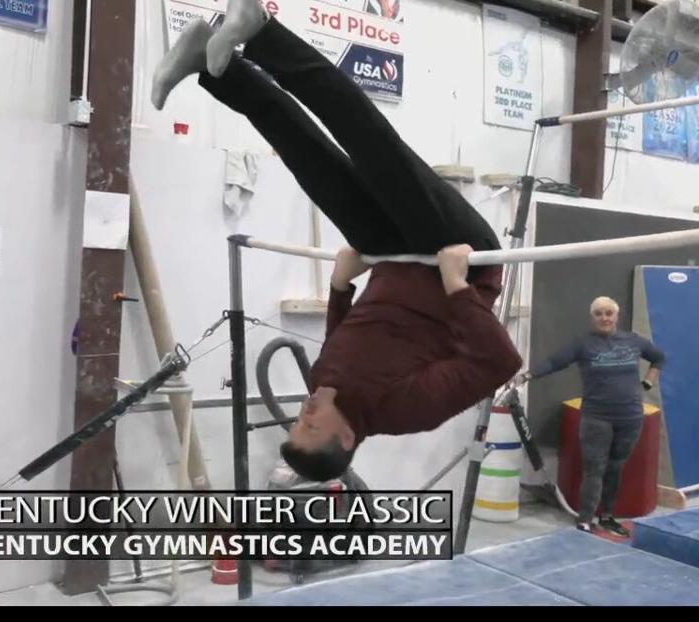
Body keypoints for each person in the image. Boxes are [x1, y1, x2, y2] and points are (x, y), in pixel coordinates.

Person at [152, 1, 523, 483]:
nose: (302, 413)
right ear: (346, 438)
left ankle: (216, 65)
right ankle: (263, 32)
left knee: (304, 155)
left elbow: (342, 337)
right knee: (369, 140)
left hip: (389, 255)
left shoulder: (320, 383)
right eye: (311, 425)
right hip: (452, 256)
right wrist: (458, 289)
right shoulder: (405, 410)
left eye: (296, 424)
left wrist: (341, 288)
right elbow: (498, 363)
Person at [514, 296, 665, 535]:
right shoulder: (583, 344)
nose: (604, 318)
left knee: (616, 468)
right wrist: (527, 376)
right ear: (592, 318)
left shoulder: (633, 340)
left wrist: (647, 383)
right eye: (599, 314)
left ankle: (607, 516)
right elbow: (556, 362)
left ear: (616, 315)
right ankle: (585, 520)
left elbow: (659, 357)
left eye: (608, 313)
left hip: (630, 417)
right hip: (597, 418)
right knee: (595, 469)